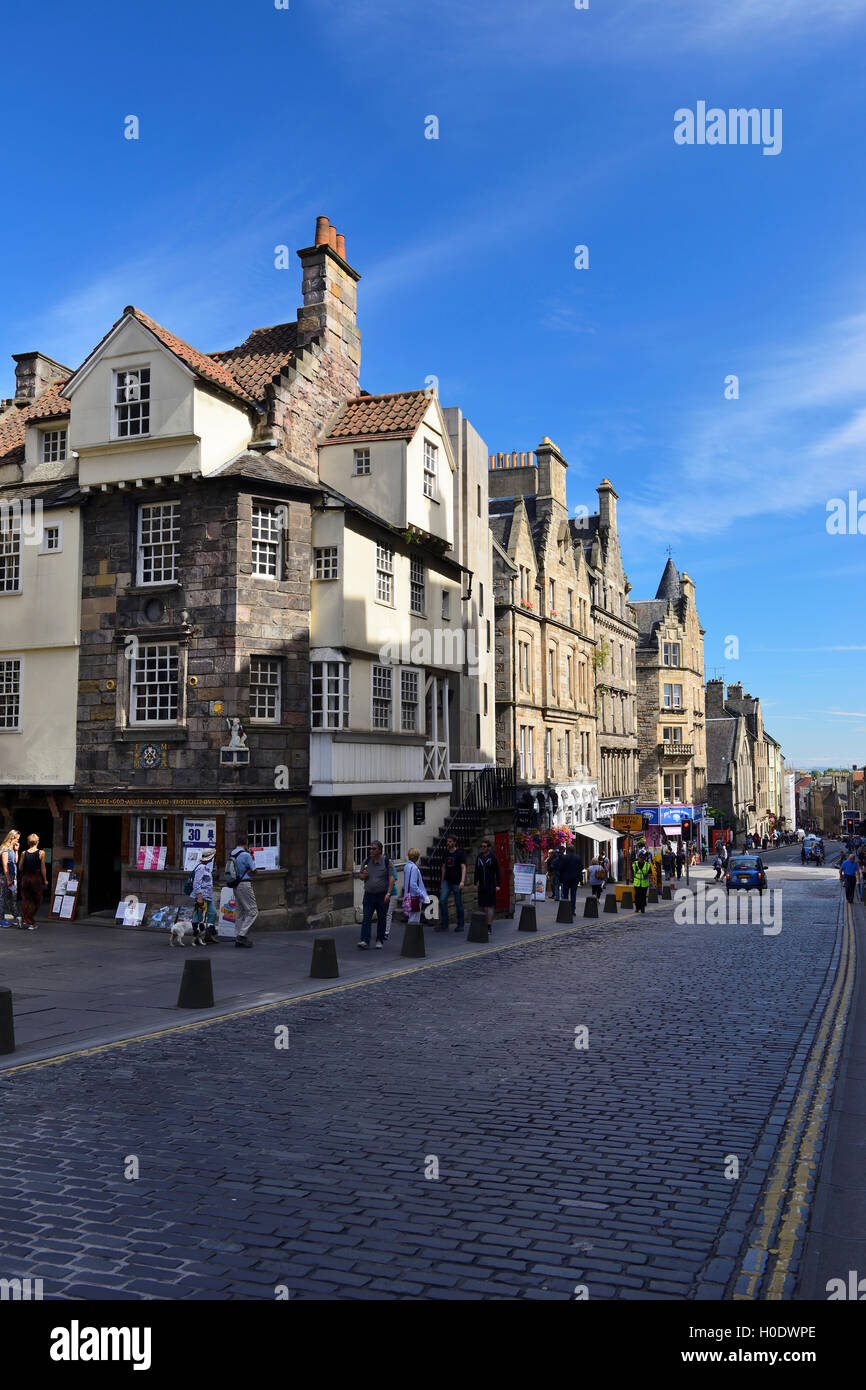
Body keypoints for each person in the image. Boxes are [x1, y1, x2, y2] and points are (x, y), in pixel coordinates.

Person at [358, 839, 395, 949]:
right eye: (370, 848)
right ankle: (365, 941)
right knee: (366, 918)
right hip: (368, 894)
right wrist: (364, 875)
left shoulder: (387, 862)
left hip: (382, 894)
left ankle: (379, 940)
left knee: (382, 917)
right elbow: (360, 876)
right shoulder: (367, 861)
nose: (371, 850)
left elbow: (392, 878)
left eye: (373, 848)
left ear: (379, 850)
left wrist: (388, 893)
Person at [229, 837, 258, 948]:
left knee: (240, 911)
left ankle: (238, 937)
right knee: (253, 911)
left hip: (235, 884)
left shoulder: (232, 853)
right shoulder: (246, 855)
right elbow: (254, 870)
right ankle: (242, 935)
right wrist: (253, 871)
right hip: (245, 884)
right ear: (245, 844)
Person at [18, 833, 48, 930]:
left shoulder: (23, 853)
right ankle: (30, 922)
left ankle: (22, 918)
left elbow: (20, 867)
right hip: (36, 878)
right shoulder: (41, 853)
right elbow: (43, 867)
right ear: (37, 842)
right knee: (37, 899)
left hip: (25, 878)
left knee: (26, 899)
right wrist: (45, 879)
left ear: (28, 842)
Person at [190, 848, 219, 945]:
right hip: (202, 896)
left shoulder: (206, 867)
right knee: (199, 917)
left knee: (212, 913)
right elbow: (196, 883)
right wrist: (199, 898)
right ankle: (197, 936)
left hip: (207, 896)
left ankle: (208, 935)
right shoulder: (201, 868)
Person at [439, 835, 466, 933]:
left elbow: (463, 867)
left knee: (458, 903)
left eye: (450, 842)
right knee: (442, 900)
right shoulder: (445, 853)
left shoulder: (460, 853)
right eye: (447, 841)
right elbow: (443, 868)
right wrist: (442, 882)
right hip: (447, 881)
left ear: (454, 842)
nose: (448, 843)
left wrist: (462, 881)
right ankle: (445, 923)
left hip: (456, 882)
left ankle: (460, 924)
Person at [474, 840, 501, 930]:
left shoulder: (493, 858)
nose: (483, 848)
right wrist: (475, 883)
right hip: (481, 885)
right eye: (481, 846)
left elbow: (497, 872)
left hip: (490, 885)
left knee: (489, 906)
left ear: (489, 847)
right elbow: (476, 871)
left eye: (484, 846)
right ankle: (484, 923)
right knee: (482, 906)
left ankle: (489, 926)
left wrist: (498, 885)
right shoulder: (479, 858)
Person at [0, 830, 22, 929]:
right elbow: (5, 865)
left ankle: (16, 917)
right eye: (17, 839)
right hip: (5, 877)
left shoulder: (12, 849)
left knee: (12, 898)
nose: (18, 841)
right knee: (3, 898)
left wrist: (16, 850)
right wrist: (8, 879)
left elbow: (15, 861)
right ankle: (1, 920)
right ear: (12, 837)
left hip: (13, 877)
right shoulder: (4, 849)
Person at [403, 848, 427, 926]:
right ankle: (413, 937)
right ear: (416, 857)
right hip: (414, 897)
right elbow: (413, 884)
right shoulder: (414, 868)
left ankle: (411, 936)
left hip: (408, 895)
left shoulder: (406, 866)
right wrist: (421, 894)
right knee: (414, 919)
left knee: (411, 918)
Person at [558, 846, 584, 911]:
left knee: (565, 894)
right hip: (575, 879)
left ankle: (566, 909)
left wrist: (561, 877)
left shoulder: (564, 857)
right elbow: (581, 868)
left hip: (566, 878)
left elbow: (560, 867)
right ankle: (572, 910)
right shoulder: (578, 858)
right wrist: (580, 879)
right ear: (574, 850)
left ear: (568, 850)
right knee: (573, 894)